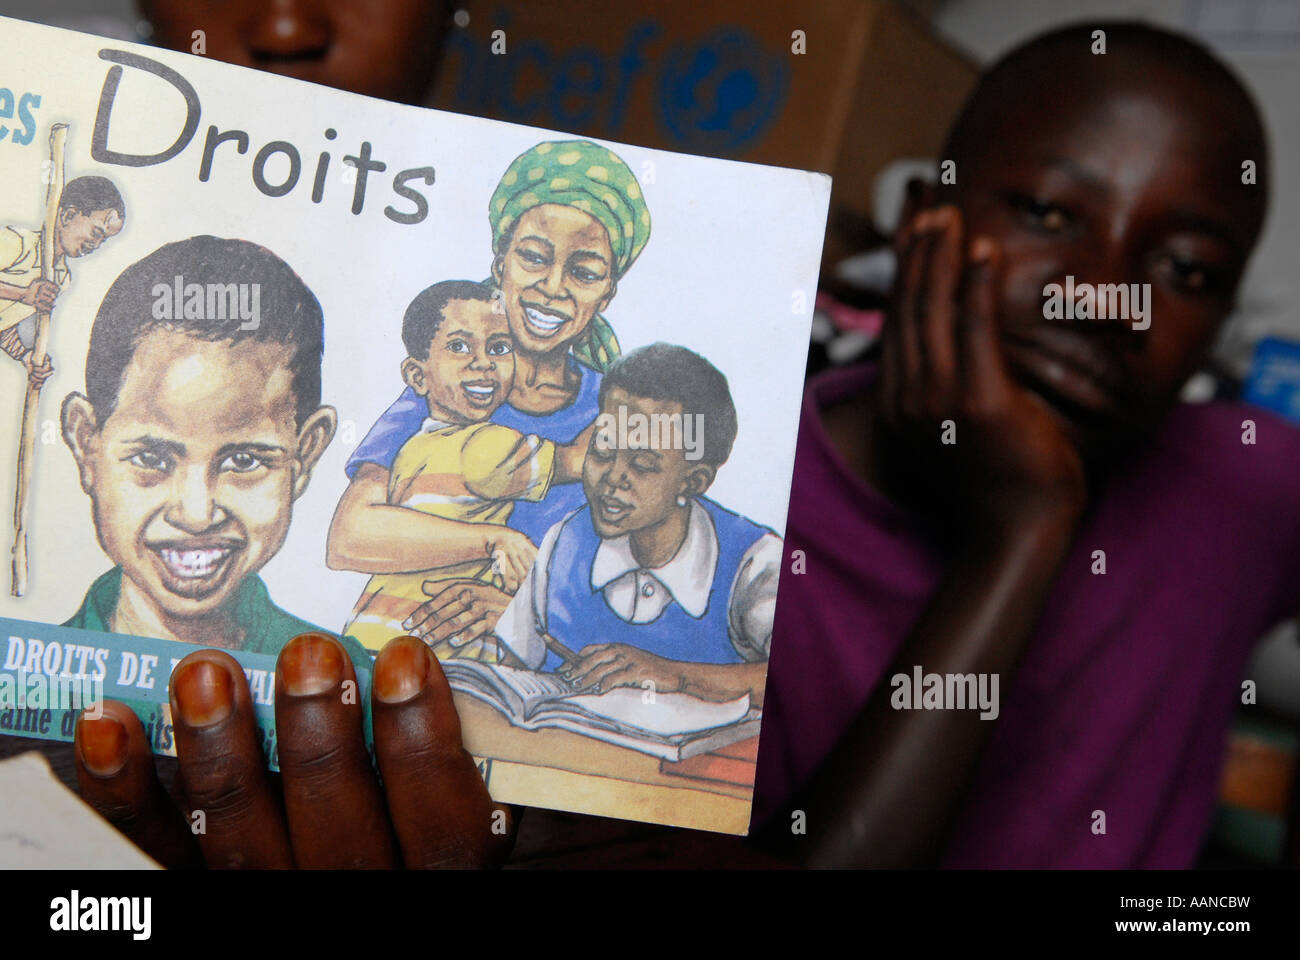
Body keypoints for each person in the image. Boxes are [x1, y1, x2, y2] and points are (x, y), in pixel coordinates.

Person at [751, 22, 1300, 868]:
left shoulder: (1235, 487)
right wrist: (1019, 533)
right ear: (921, 221)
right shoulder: (718, 511)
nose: (1105, 299)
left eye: (1186, 271)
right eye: (1047, 213)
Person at [330, 139, 651, 648]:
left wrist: (527, 619)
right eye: (533, 257)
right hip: (392, 647)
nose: (553, 286)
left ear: (607, 292)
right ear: (501, 261)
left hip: (524, 679)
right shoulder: (449, 382)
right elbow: (352, 535)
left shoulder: (612, 413)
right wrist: (491, 542)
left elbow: (638, 584)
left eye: (584, 272)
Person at [59, 235, 365, 666]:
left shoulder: (349, 681)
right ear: (86, 443)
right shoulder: (20, 686)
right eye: (152, 459)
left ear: (306, 453)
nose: (197, 514)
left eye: (244, 461)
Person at [496, 343, 780, 706]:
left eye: (643, 464)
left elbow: (802, 679)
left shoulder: (754, 562)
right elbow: (510, 675)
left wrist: (675, 676)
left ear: (693, 482)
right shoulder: (564, 542)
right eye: (601, 451)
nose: (612, 478)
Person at [340, 280, 589, 656]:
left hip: (374, 634)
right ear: (417, 377)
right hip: (443, 650)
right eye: (459, 347)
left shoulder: (415, 446)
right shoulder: (486, 447)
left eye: (500, 349)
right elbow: (578, 460)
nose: (484, 363)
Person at [0, 175, 125, 387]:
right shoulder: (17, 242)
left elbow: (4, 322)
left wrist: (26, 357)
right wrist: (22, 294)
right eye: (96, 233)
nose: (96, 245)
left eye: (104, 240)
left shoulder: (60, 278)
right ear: (68, 215)